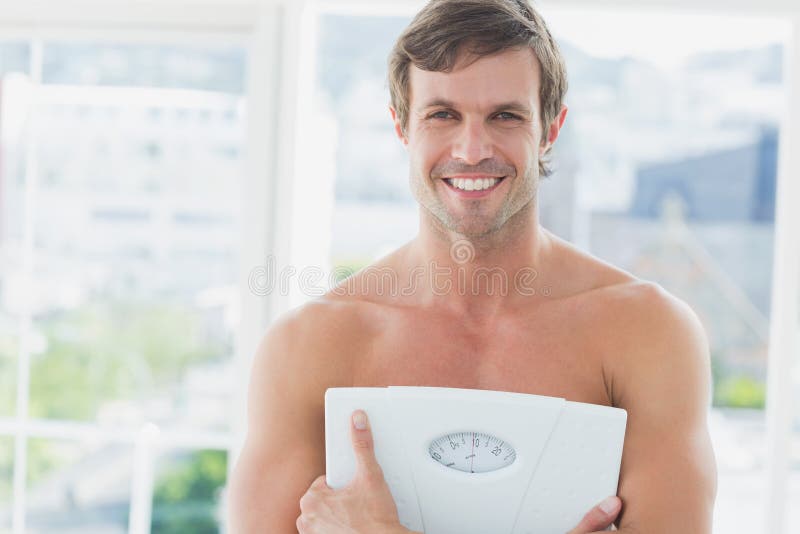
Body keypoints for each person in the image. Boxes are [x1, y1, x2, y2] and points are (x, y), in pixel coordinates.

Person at [227, 0, 718, 532]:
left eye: (505, 116)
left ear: (550, 128)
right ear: (402, 127)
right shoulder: (309, 347)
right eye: (443, 115)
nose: (472, 148)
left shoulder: (647, 334)